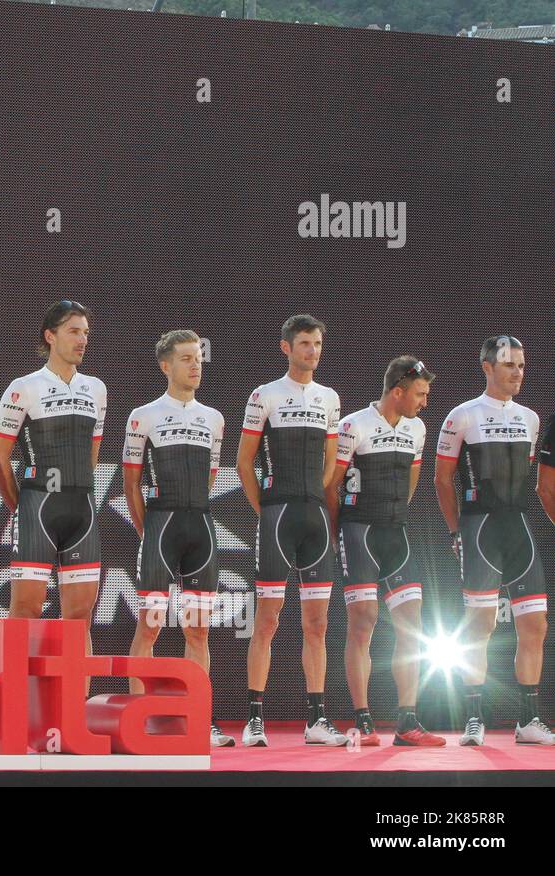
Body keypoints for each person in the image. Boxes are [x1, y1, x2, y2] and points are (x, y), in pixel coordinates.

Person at [236, 314, 345, 747]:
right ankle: (254, 718)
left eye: (317, 344)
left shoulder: (330, 398)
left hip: (314, 518)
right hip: (277, 517)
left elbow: (332, 465)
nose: (312, 352)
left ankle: (317, 720)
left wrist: (310, 498)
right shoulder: (264, 395)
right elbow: (244, 463)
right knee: (268, 620)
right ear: (286, 348)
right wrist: (265, 509)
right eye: (304, 344)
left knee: (316, 624)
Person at [436, 335, 550, 746]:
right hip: (479, 529)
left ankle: (528, 719)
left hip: (518, 528)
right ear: (487, 367)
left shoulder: (531, 418)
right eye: (509, 365)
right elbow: (442, 479)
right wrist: (456, 531)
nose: (518, 373)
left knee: (535, 626)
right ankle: (474, 717)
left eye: (521, 365)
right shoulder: (462, 416)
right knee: (479, 625)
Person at [327, 356, 444, 746]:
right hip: (358, 532)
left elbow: (412, 479)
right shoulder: (353, 425)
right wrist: (335, 533)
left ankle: (407, 721)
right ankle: (362, 718)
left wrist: (394, 514)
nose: (424, 402)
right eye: (420, 394)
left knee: (413, 626)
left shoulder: (418, 428)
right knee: (364, 622)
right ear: (398, 391)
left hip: (396, 535)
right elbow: (332, 486)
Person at [123, 329, 231, 748]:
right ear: (165, 365)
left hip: (200, 528)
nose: (195, 365)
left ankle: (199, 718)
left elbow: (211, 477)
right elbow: (132, 483)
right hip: (160, 529)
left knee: (199, 631)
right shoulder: (143, 415)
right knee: (149, 627)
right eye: (186, 359)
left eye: (199, 358)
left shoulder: (214, 418)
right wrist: (147, 530)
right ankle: (139, 718)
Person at [0, 300, 107, 643]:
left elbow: (92, 456)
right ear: (50, 336)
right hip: (37, 508)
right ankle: (16, 697)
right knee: (27, 610)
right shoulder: (24, 387)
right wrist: (21, 507)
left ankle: (71, 699)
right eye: (74, 331)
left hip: (81, 510)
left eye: (86, 333)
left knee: (80, 617)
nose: (82, 340)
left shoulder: (96, 389)